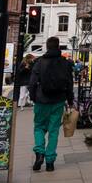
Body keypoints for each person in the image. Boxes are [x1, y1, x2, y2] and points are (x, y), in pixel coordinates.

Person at [26, 37, 74, 172]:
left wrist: (33, 97)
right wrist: (70, 101)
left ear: (47, 47)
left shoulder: (39, 62)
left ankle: (39, 152)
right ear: (58, 47)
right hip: (58, 100)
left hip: (42, 100)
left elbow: (32, 83)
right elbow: (69, 84)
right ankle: (50, 162)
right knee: (53, 131)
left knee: (39, 127)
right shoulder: (65, 63)